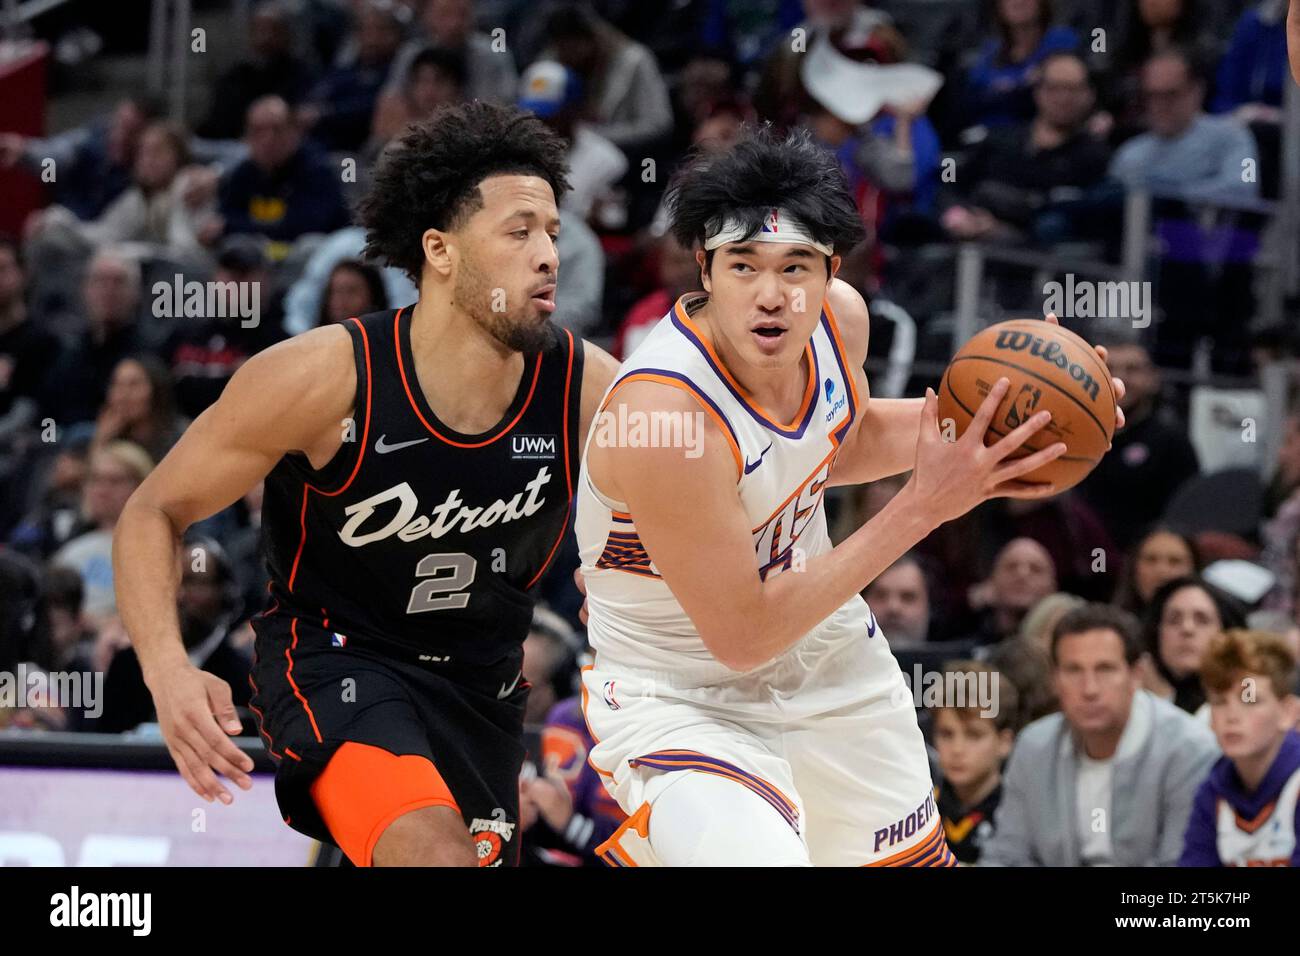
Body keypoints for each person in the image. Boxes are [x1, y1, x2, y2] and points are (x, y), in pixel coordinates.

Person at [575, 126, 1124, 866]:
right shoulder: (665, 417)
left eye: (795, 266)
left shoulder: (840, 318)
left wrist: (1013, 422)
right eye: (744, 265)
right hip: (684, 692)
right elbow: (742, 638)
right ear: (705, 266)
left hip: (824, 654)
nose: (771, 295)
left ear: (831, 266)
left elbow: (844, 438)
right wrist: (925, 503)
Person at [113, 101, 620, 868]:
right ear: (441, 251)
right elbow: (153, 509)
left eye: (552, 231)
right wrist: (167, 669)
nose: (549, 253)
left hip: (483, 686)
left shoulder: (589, 389)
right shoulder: (324, 378)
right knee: (432, 857)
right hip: (337, 662)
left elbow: (708, 501)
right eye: (520, 232)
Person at [980, 603, 1219, 866]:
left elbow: (1181, 863)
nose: (1089, 689)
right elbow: (1005, 856)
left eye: (1105, 669)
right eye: (1073, 670)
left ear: (1136, 675)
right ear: (1055, 679)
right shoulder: (1033, 746)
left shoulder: (1189, 749)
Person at [1180, 629, 1300, 866]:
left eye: (1250, 701)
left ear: (1288, 713)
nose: (1232, 716)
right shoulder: (1212, 790)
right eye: (1220, 702)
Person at [933, 660, 1018, 864]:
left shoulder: (1018, 815)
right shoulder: (922, 807)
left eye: (973, 735)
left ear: (1004, 742)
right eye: (946, 734)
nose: (957, 749)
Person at [1141, 575, 1248, 715]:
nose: (1187, 629)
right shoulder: (1135, 698)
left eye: (1202, 620)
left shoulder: (1249, 695)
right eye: (1174, 620)